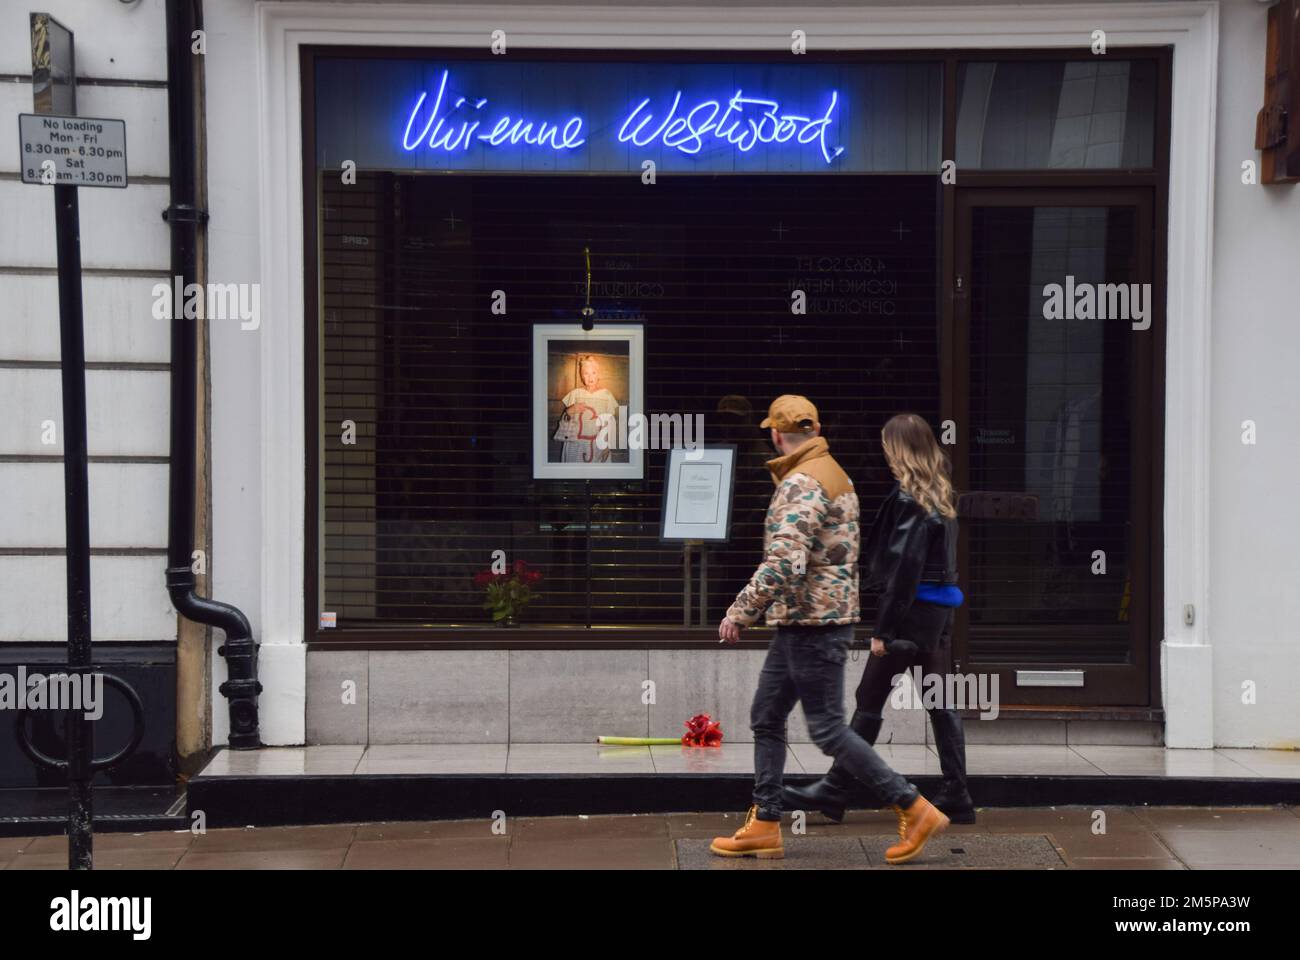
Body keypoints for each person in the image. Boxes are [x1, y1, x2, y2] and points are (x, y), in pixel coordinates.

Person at [711, 396, 949, 864]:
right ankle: (764, 823)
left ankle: (913, 805)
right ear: (815, 427)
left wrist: (740, 610)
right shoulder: (832, 471)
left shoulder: (804, 482)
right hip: (806, 621)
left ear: (777, 434)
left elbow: (785, 559)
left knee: (826, 730)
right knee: (766, 715)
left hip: (814, 626)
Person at [784, 412, 974, 824]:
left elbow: (904, 571)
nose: (884, 452)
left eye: (888, 444)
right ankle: (957, 793)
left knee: (868, 701)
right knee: (941, 704)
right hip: (935, 616)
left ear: (899, 448)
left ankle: (835, 790)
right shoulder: (941, 493)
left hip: (909, 618)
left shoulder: (909, 498)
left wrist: (883, 631)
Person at [553, 355, 619, 463]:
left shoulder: (606, 395)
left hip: (598, 444)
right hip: (576, 443)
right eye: (586, 373)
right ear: (582, 376)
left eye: (593, 373)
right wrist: (569, 411)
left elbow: (610, 422)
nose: (590, 377)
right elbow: (566, 418)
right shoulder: (575, 394)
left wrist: (608, 444)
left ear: (598, 375)